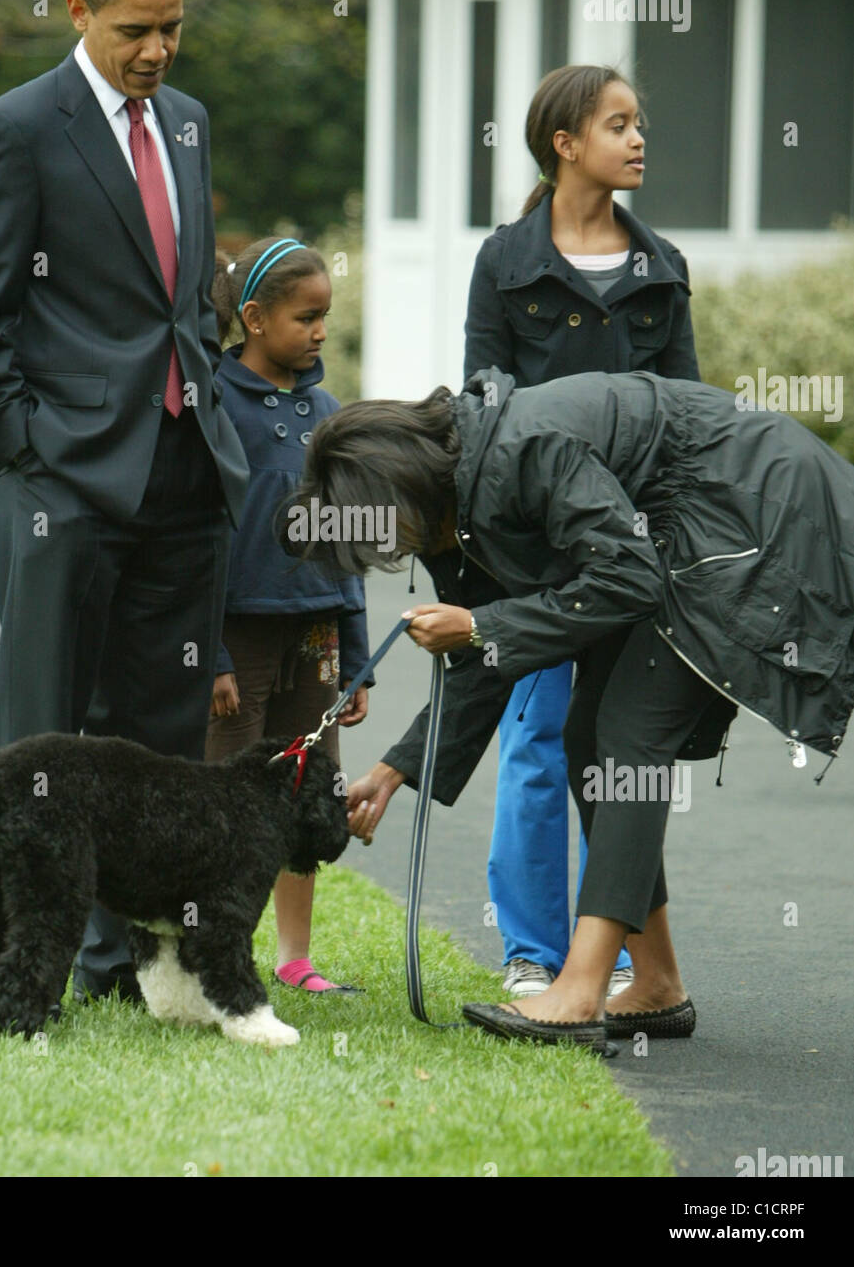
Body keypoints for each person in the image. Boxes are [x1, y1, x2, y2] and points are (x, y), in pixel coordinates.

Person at [284, 368, 854, 1050]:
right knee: (588, 740)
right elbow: (484, 655)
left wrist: (478, 628)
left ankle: (578, 995)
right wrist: (396, 767)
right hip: (675, 538)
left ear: (400, 485)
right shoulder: (448, 512)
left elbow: (625, 577)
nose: (391, 551)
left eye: (386, 534)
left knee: (627, 740)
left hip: (754, 512)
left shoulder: (524, 450)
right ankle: (656, 984)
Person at [0, 0, 248, 1006]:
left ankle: (117, 965)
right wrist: (23, 451)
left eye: (170, 26)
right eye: (133, 29)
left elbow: (185, 303)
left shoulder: (193, 126)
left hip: (179, 472)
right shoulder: (19, 128)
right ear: (78, 15)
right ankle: (15, 963)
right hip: (58, 481)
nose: (156, 49)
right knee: (41, 736)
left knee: (155, 741)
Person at [463, 64, 701, 999]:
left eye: (637, 122)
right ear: (565, 145)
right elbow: (485, 411)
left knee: (618, 756)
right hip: (535, 551)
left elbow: (686, 414)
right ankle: (532, 955)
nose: (638, 139)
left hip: (636, 555)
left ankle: (635, 968)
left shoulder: (662, 267)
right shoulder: (503, 262)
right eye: (617, 124)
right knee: (536, 739)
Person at [205, 237, 369, 993]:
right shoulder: (212, 402)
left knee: (309, 789)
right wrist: (210, 651)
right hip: (239, 629)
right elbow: (195, 534)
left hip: (317, 629)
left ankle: (295, 957)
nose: (317, 333)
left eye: (324, 318)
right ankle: (215, 949)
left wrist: (357, 650)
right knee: (233, 796)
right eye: (305, 317)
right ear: (253, 318)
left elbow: (348, 533)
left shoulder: (328, 412)